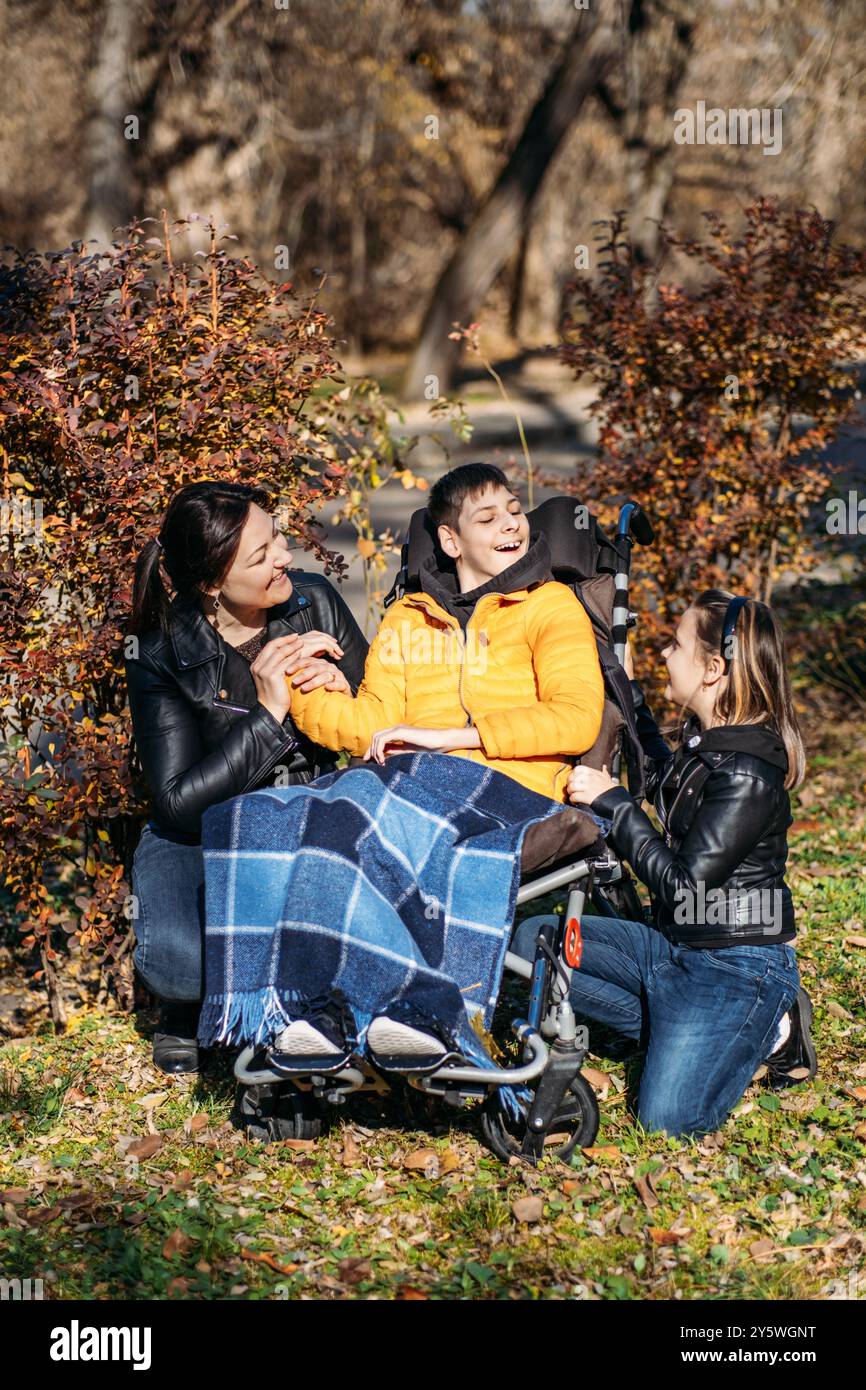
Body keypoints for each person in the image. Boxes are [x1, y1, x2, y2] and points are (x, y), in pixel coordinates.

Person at [262, 462, 606, 1067]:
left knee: (373, 814)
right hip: (414, 789)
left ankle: (417, 1009)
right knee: (332, 813)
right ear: (450, 541)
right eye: (488, 517)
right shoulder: (407, 618)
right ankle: (330, 1012)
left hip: (515, 794)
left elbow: (574, 720)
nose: (511, 525)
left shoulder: (550, 607)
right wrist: (307, 686)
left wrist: (451, 737)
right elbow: (373, 726)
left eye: (514, 510)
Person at [512, 590, 817, 1139]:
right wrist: (625, 693)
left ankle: (771, 1025)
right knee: (533, 942)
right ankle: (692, 1029)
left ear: (713, 670)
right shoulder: (708, 743)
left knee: (666, 1122)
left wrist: (614, 803)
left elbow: (685, 885)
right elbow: (660, 775)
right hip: (674, 950)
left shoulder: (747, 772)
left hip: (735, 964)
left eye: (675, 645)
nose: (664, 655)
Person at [124, 480, 368, 1074]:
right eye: (260, 556)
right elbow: (179, 800)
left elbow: (381, 717)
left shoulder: (314, 601)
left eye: (277, 538)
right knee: (183, 966)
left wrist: (348, 693)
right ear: (211, 584)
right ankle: (184, 1009)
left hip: (305, 807)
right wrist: (269, 714)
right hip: (202, 832)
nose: (285, 557)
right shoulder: (158, 650)